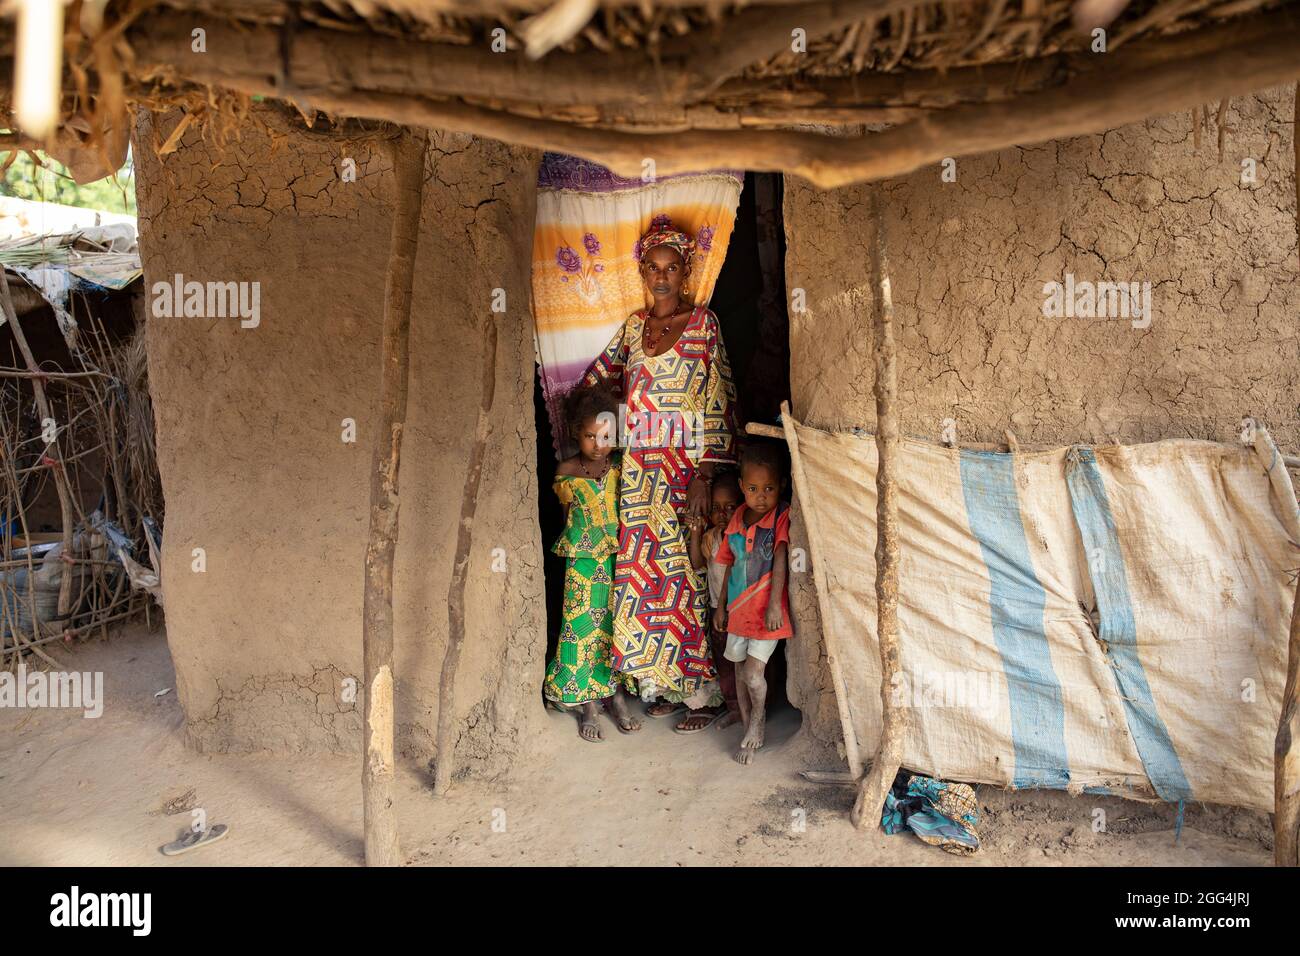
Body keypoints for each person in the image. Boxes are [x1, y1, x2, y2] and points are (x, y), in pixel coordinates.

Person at [581, 219, 736, 732]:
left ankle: (703, 693)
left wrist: (705, 473)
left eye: (673, 268)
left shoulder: (704, 325)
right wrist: (600, 432)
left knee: (686, 575)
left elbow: (718, 397)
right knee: (643, 575)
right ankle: (659, 686)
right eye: (655, 268)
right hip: (638, 469)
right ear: (643, 271)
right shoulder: (632, 328)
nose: (663, 277)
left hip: (683, 469)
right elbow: (596, 381)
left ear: (686, 271)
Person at [543, 384, 642, 742]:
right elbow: (568, 518)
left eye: (606, 436)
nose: (599, 444)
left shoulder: (620, 466)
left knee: (612, 630)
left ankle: (615, 695)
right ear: (575, 434)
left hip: (617, 562)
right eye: (590, 436)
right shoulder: (566, 470)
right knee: (580, 629)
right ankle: (588, 705)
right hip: (582, 567)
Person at [713, 441, 793, 764]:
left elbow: (780, 558)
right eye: (754, 488)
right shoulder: (736, 519)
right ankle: (747, 726)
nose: (762, 496)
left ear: (781, 486)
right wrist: (721, 607)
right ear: (742, 487)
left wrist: (775, 604)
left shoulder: (780, 517)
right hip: (737, 612)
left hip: (765, 614)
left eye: (769, 488)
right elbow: (729, 564)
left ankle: (757, 724)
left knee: (753, 674)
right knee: (738, 673)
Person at [686, 472, 743, 730]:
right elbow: (697, 564)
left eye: (730, 507)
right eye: (716, 508)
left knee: (743, 661)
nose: (722, 514)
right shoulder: (712, 537)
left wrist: (722, 608)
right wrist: (696, 533)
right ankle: (733, 707)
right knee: (724, 661)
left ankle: (751, 708)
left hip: (737, 610)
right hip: (716, 610)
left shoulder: (740, 538)